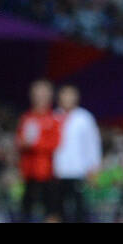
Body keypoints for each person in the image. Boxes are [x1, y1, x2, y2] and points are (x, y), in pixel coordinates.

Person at [53, 85, 101, 223]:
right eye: (65, 94)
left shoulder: (85, 117)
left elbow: (93, 144)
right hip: (58, 170)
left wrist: (94, 166)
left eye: (71, 94)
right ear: (59, 97)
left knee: (80, 209)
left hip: (79, 171)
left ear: (77, 97)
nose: (68, 97)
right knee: (58, 209)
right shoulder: (54, 116)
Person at [17, 80, 62, 222]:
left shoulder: (54, 118)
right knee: (26, 210)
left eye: (44, 92)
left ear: (50, 95)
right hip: (28, 172)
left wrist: (33, 144)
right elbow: (19, 140)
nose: (40, 96)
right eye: (37, 92)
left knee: (51, 211)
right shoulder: (26, 117)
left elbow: (55, 143)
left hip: (48, 173)